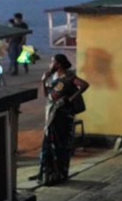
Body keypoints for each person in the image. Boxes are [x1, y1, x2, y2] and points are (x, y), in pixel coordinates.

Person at [36, 54, 89, 186]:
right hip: (52, 113)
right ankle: (48, 172)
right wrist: (43, 81)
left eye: (52, 62)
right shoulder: (53, 77)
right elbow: (46, 95)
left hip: (62, 116)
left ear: (58, 64)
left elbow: (84, 85)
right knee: (49, 142)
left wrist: (71, 99)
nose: (50, 64)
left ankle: (59, 173)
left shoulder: (68, 76)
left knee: (60, 143)